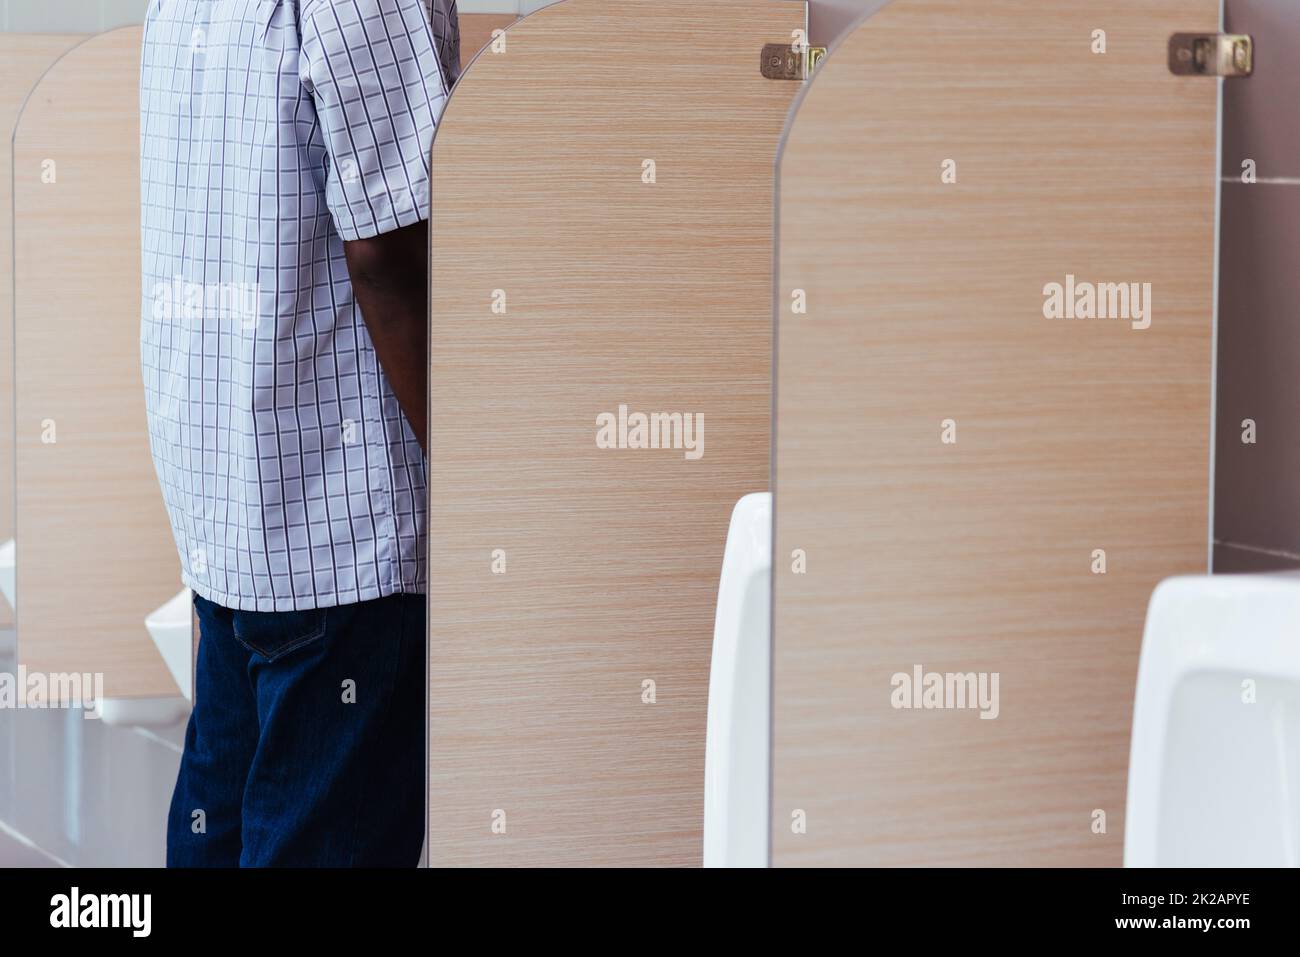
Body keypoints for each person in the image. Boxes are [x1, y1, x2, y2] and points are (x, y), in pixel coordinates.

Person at [139, 0, 459, 867]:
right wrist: (475, 488)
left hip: (232, 515)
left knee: (222, 829)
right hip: (345, 531)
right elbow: (389, 253)